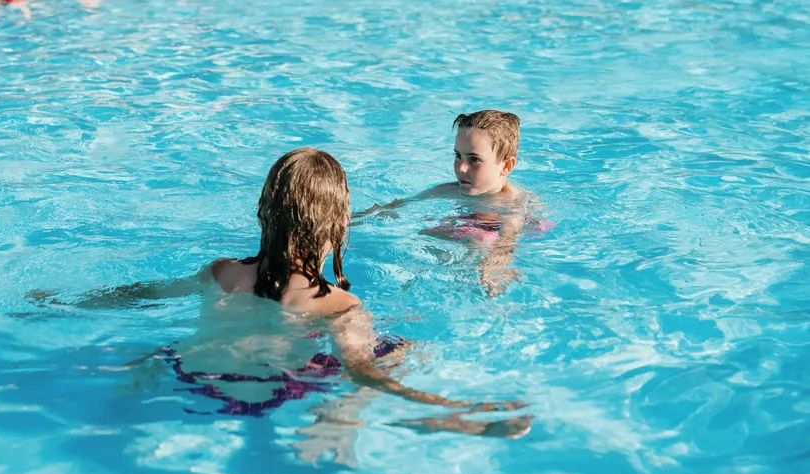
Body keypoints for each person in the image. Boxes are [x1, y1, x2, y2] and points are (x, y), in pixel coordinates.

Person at [31, 148, 531, 436]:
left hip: (194, 376)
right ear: (336, 224)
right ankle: (342, 420)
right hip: (277, 390)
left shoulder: (221, 272)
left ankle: (134, 383)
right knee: (403, 348)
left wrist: (60, 302)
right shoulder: (338, 305)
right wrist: (449, 407)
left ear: (265, 211)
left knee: (168, 350)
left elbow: (140, 293)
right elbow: (364, 372)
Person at [356, 110, 549, 296]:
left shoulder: (512, 205)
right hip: (473, 227)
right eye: (458, 155)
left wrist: (490, 272)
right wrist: (353, 219)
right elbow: (399, 206)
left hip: (498, 235)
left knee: (475, 243)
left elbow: (506, 245)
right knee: (426, 235)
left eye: (474, 159)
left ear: (506, 166)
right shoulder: (450, 189)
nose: (461, 167)